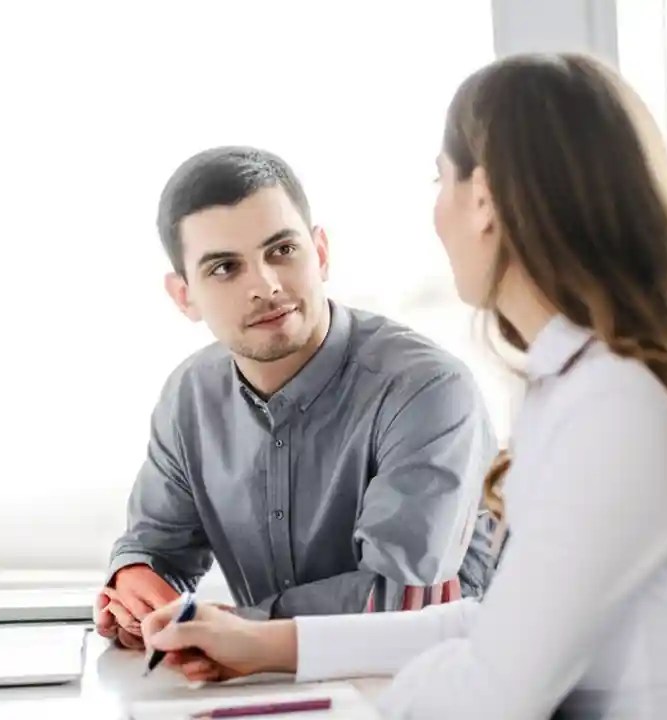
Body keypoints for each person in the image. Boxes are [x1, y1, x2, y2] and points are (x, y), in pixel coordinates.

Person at [140, 54, 667, 718]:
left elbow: (497, 690)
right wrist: (265, 644)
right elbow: (498, 621)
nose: (435, 211)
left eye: (440, 179)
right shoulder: (582, 383)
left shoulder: (618, 404)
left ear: (485, 200)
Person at [95, 146, 500, 652]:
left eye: (281, 251)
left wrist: (236, 631)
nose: (265, 285)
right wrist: (135, 583)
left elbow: (400, 601)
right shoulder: (189, 396)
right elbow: (158, 550)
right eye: (224, 268)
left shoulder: (426, 390)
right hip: (272, 689)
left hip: (446, 683)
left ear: (321, 253)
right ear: (184, 297)